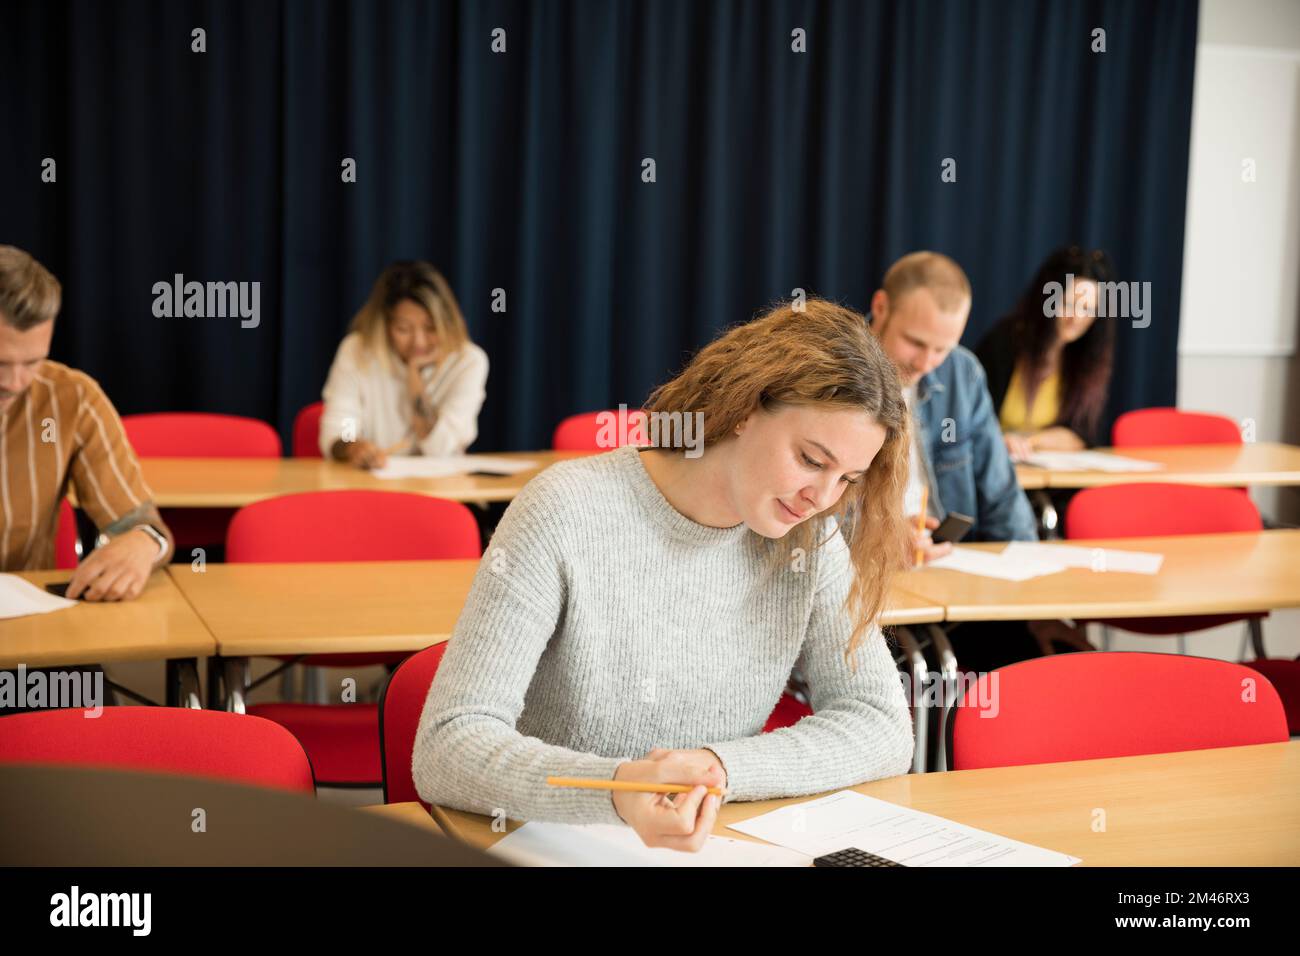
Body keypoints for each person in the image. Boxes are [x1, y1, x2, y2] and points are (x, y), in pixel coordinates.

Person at [413, 299, 915, 852]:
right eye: (811, 460)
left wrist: (718, 767)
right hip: (548, 846)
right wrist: (614, 791)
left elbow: (881, 723)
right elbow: (446, 747)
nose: (821, 498)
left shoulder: (811, 543)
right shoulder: (565, 509)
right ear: (744, 408)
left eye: (848, 478)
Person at [1, 245, 174, 716]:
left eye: (33, 361)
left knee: (99, 745)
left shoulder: (70, 398)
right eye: (0, 364)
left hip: (29, 646)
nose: (16, 383)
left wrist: (141, 543)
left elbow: (145, 524)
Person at [319, 261, 488, 469]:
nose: (419, 342)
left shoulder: (469, 361)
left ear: (446, 322)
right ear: (385, 326)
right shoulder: (356, 351)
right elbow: (340, 426)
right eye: (403, 329)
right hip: (368, 486)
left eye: (430, 328)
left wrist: (414, 378)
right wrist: (353, 446)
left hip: (444, 491)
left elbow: (441, 448)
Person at [975, 246, 1116, 462]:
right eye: (1068, 304)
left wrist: (1030, 442)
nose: (1076, 318)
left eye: (1087, 309)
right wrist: (1001, 440)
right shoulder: (1003, 342)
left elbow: (1081, 435)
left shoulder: (1088, 359)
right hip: (995, 465)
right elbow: (972, 415)